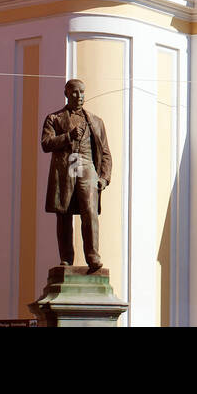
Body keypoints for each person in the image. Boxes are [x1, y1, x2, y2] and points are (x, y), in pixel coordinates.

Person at [40, 79, 112, 271]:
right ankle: (66, 258)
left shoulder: (95, 121)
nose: (79, 96)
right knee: (64, 214)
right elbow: (46, 143)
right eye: (74, 92)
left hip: (87, 166)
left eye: (82, 92)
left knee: (89, 210)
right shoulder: (54, 118)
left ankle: (93, 256)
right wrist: (68, 136)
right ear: (66, 93)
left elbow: (105, 152)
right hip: (67, 165)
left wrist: (104, 178)